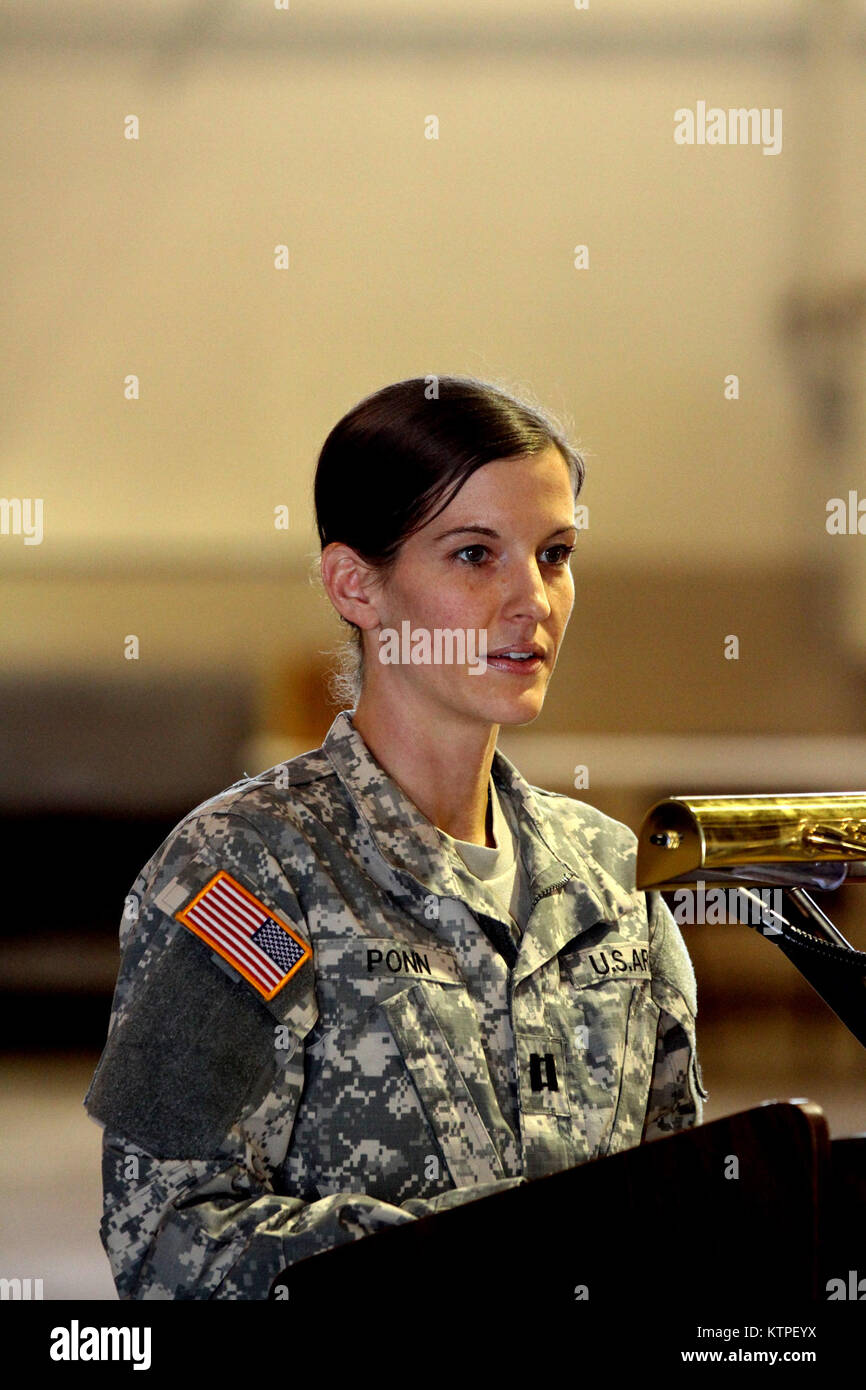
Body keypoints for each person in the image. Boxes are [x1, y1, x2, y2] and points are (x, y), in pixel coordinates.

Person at [84, 374, 706, 1300]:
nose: (532, 598)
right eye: (473, 555)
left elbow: (692, 1206)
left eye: (556, 552)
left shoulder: (615, 877)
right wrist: (478, 1262)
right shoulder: (241, 873)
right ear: (355, 584)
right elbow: (168, 1239)